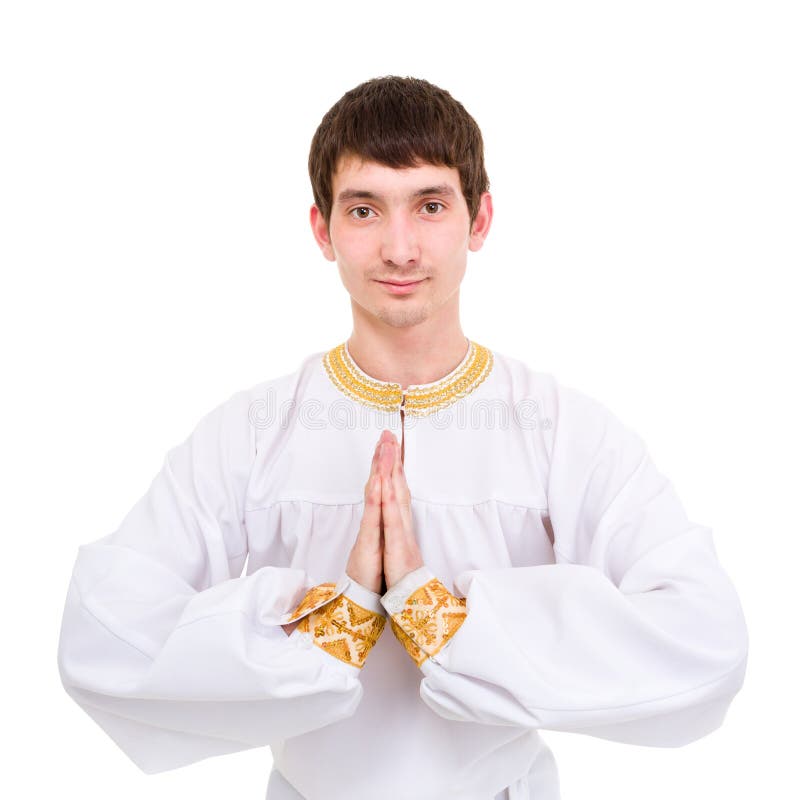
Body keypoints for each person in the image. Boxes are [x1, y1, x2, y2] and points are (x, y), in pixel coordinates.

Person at [56, 76, 749, 800]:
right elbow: (103, 634)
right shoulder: (250, 434)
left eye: (429, 205)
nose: (399, 247)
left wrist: (440, 618)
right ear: (322, 230)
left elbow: (704, 638)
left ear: (478, 219)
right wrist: (337, 620)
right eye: (364, 209)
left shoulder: (560, 430)